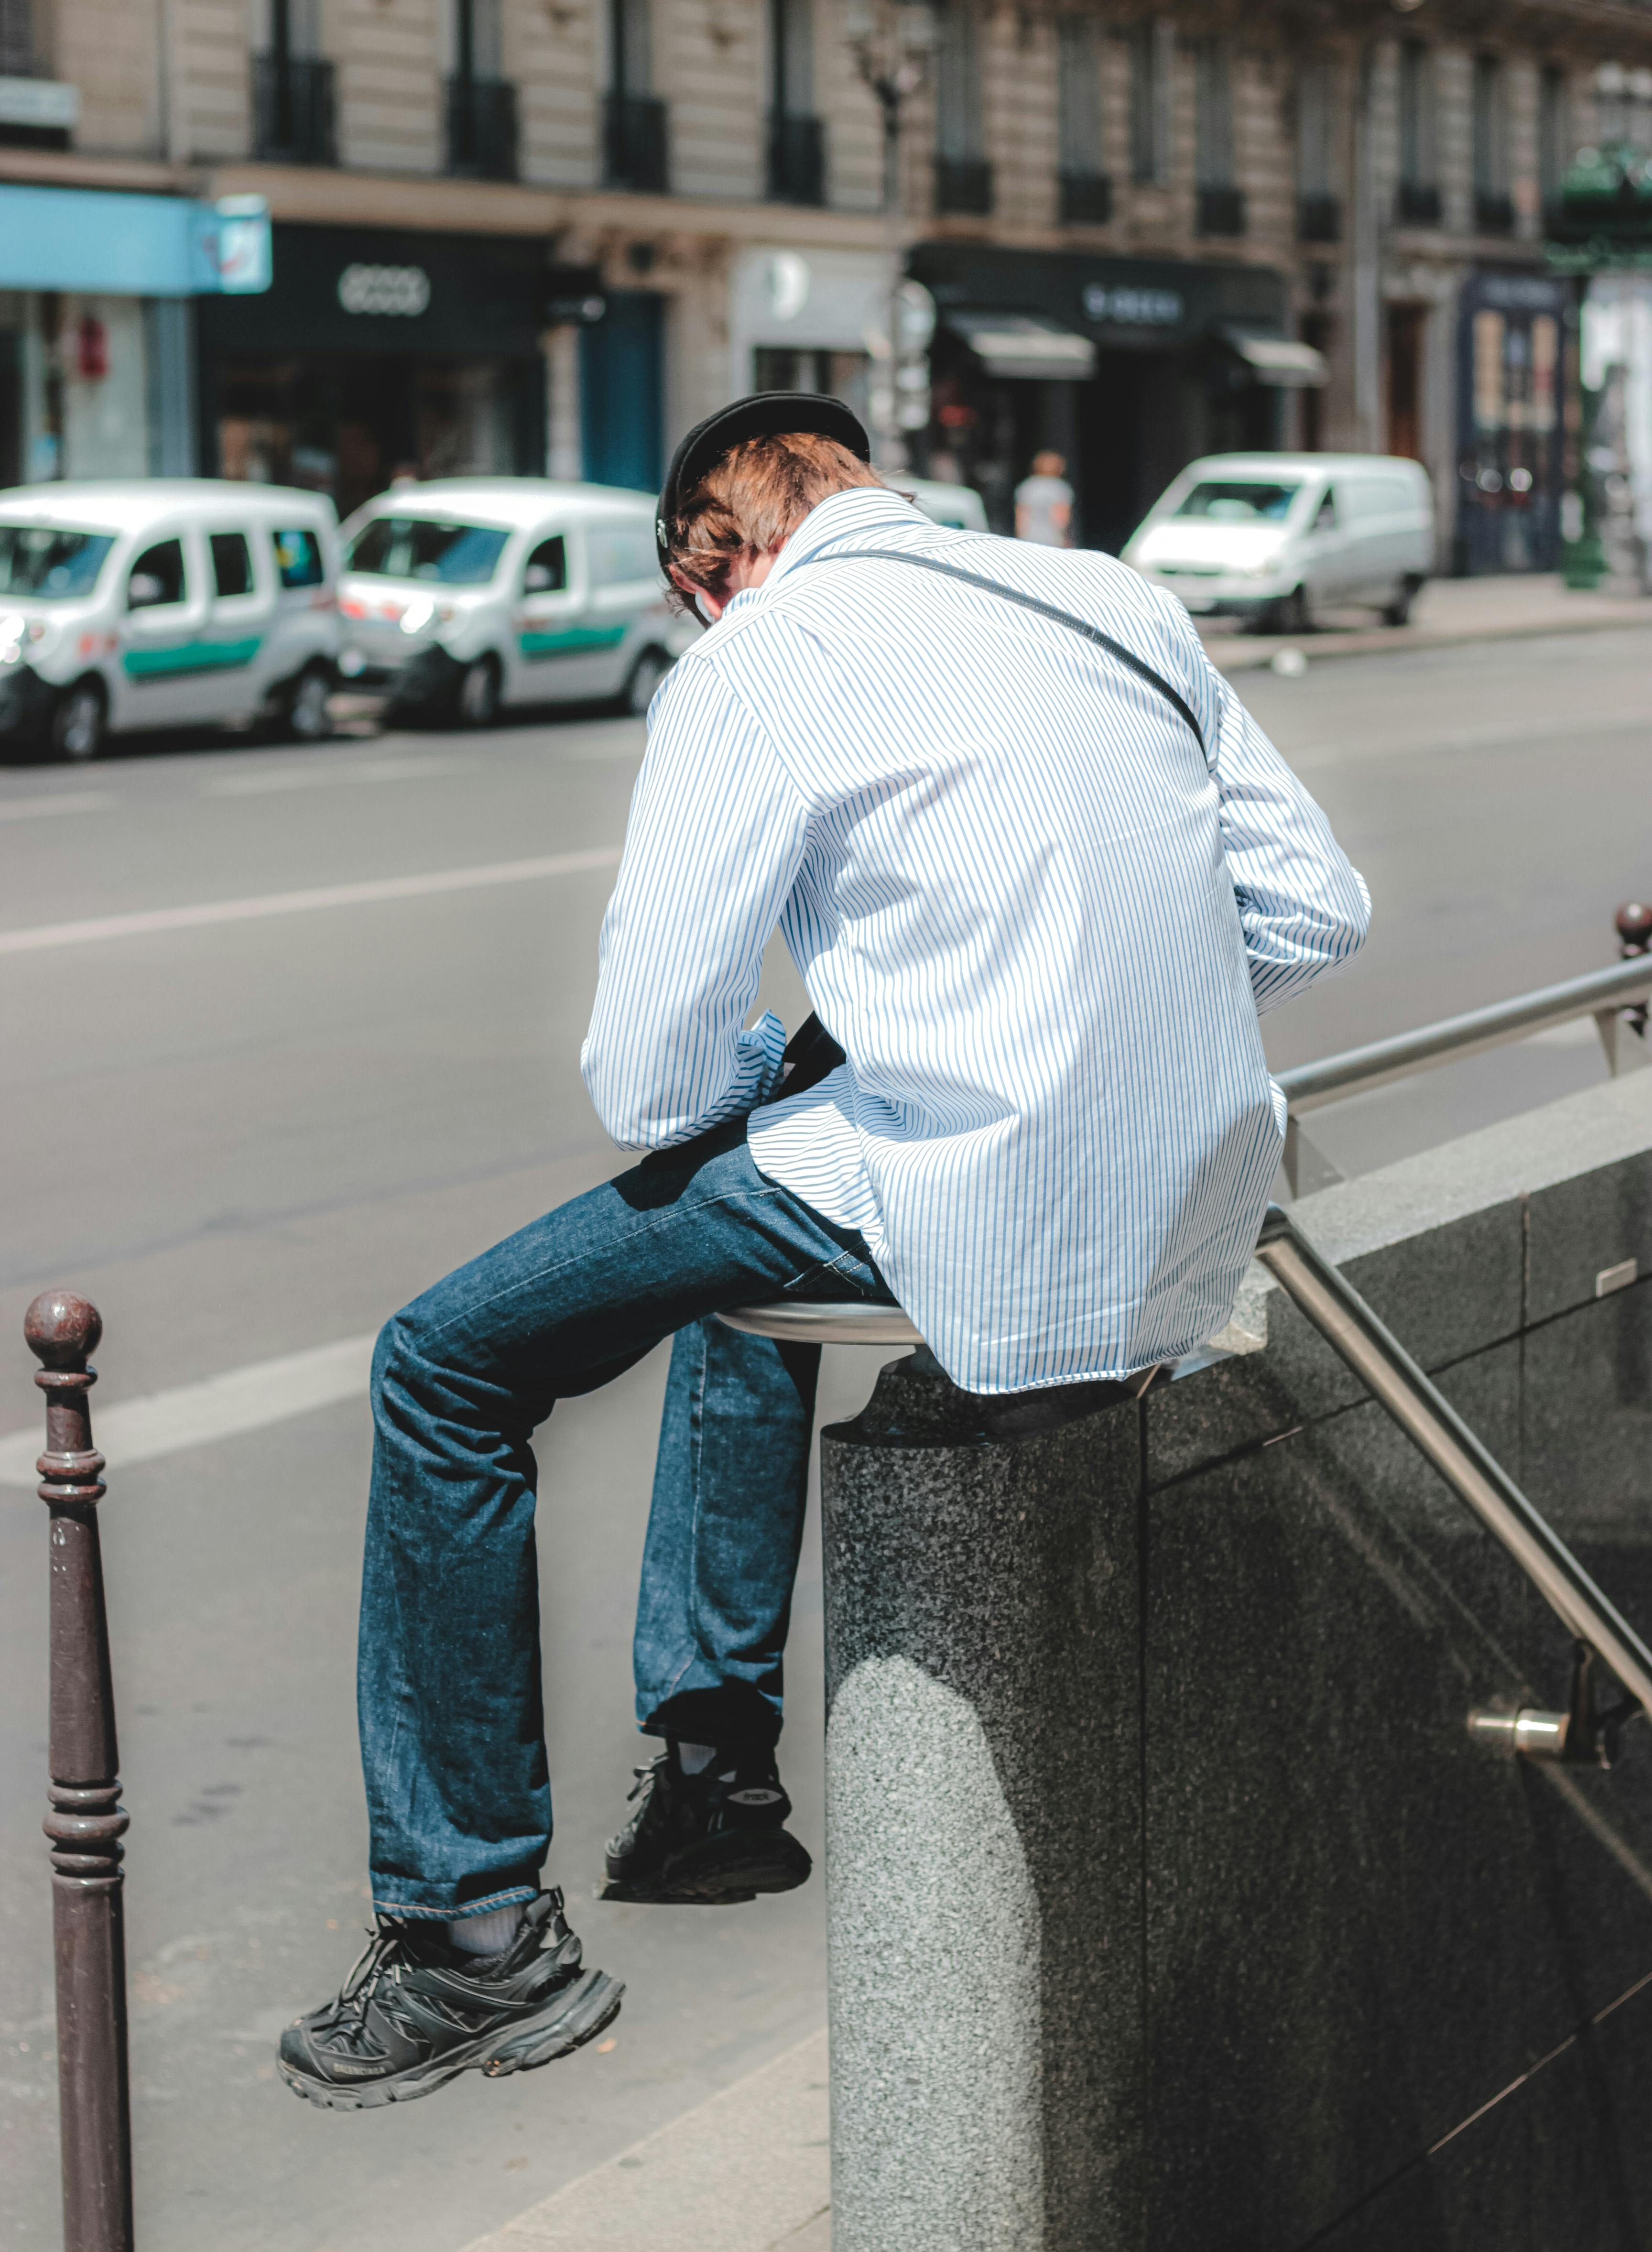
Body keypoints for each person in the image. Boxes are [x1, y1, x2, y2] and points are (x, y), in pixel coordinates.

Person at [279, 392, 1370, 2110]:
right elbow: (1315, 907)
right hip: (1197, 1195)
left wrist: (813, 1075)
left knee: (444, 1360)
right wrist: (1097, 1021)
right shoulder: (1112, 598)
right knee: (756, 1227)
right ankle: (714, 1778)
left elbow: (648, 1072)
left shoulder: (757, 658)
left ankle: (469, 1933)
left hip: (979, 1219)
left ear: (717, 558)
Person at [1015, 447, 1076, 546]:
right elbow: (1062, 519)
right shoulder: (1061, 488)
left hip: (1029, 539)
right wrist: (1067, 540)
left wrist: (1020, 537)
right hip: (1053, 540)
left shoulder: (1027, 486)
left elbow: (1021, 517)